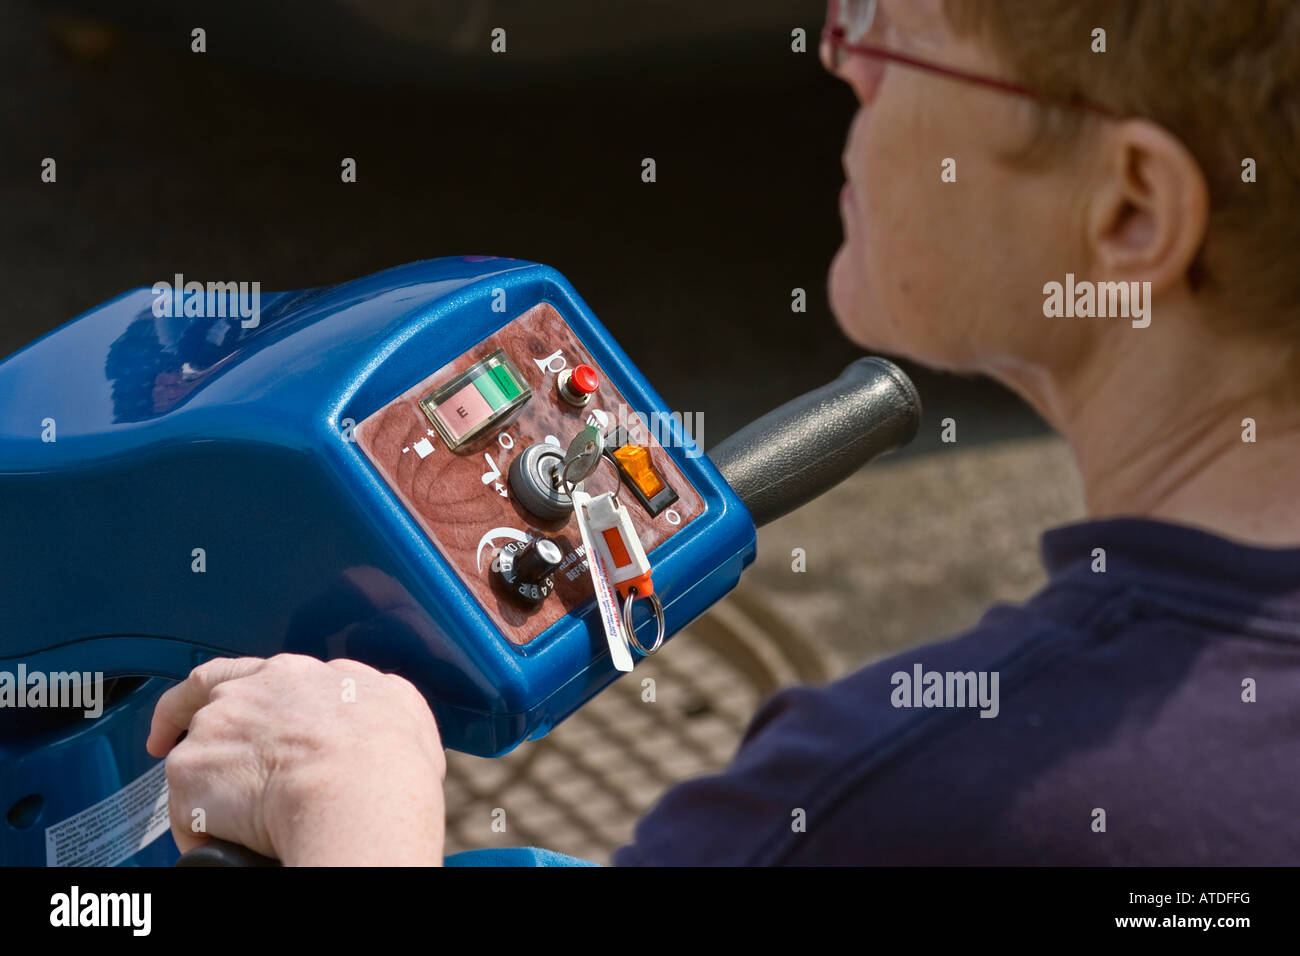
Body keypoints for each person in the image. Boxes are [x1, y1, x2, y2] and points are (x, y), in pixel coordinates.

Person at [148, 0, 1300, 865]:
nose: (834, 57)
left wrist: (352, 803)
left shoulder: (907, 799)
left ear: (1134, 208)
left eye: (887, 38)